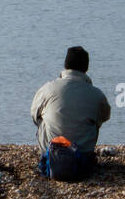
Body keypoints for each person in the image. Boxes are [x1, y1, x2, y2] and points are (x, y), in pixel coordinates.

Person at [30, 46, 111, 179]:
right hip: (82, 158)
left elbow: (34, 115)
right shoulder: (96, 94)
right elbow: (105, 116)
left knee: (42, 119)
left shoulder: (47, 88)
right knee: (95, 121)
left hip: (51, 154)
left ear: (65, 65)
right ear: (86, 68)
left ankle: (51, 157)